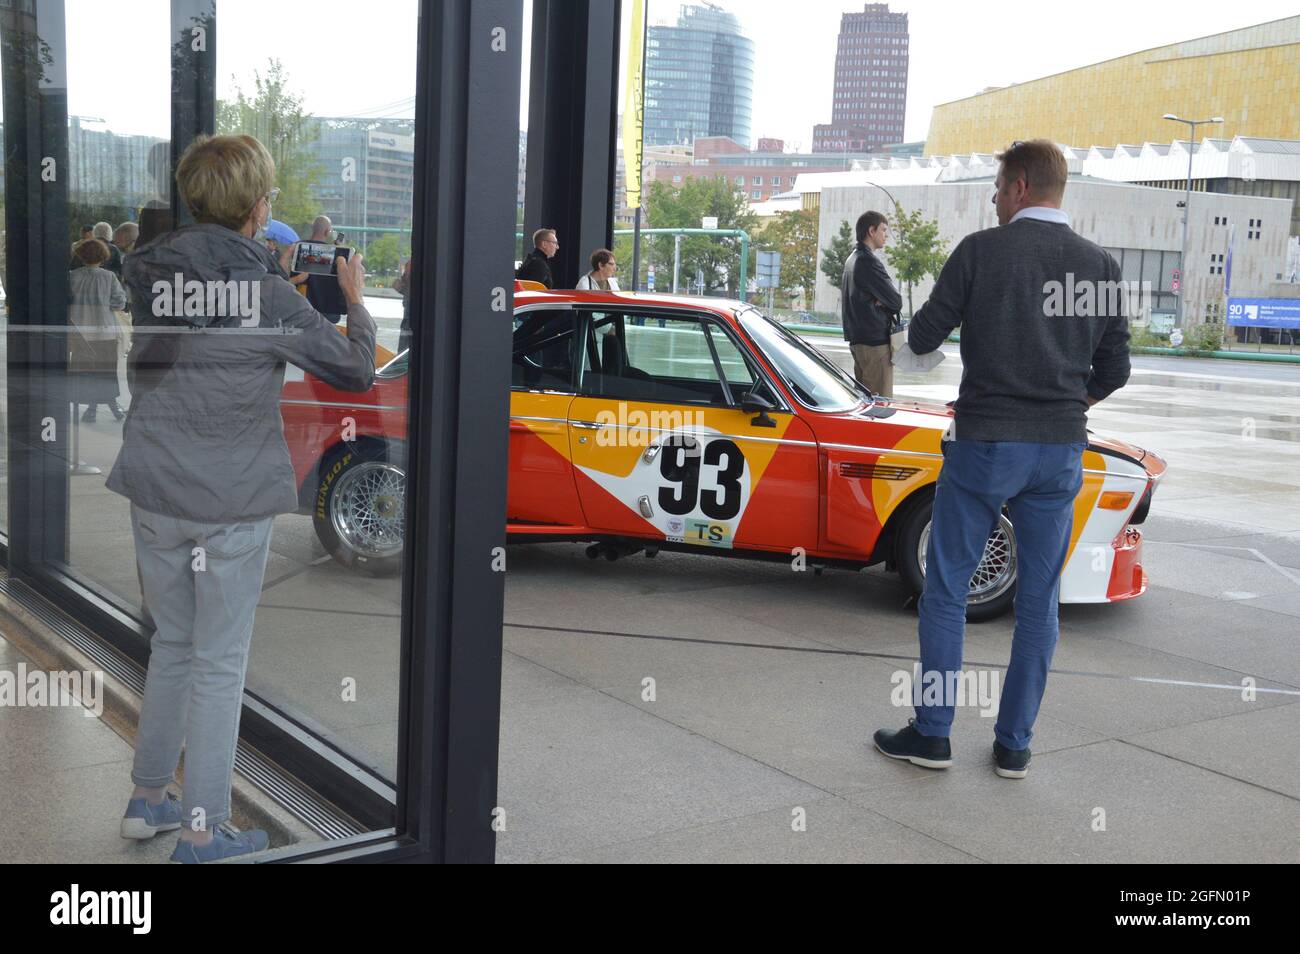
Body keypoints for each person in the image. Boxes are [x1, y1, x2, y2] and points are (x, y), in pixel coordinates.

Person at [108, 133, 376, 863]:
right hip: (227, 500)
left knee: (172, 644)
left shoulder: (153, 275)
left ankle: (150, 796)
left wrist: (264, 268)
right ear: (259, 207)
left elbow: (199, 313)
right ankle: (202, 832)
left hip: (153, 488)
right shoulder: (266, 296)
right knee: (219, 661)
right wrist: (354, 302)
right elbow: (355, 369)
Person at [872, 139, 1131, 780]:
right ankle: (1014, 745)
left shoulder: (982, 253)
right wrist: (1067, 404)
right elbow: (1115, 369)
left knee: (947, 589)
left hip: (984, 444)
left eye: (996, 187)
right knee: (1039, 600)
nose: (992, 199)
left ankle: (933, 735)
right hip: (1059, 451)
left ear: (1018, 186)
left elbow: (924, 340)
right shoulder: (1096, 266)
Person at [841, 210, 902, 396]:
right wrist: (883, 301)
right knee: (880, 405)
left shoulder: (852, 259)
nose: (886, 236)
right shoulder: (868, 262)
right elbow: (895, 301)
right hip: (875, 344)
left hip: (858, 340)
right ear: (871, 231)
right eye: (883, 230)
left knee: (864, 401)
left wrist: (879, 301)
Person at [68, 238, 127, 422]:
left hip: (79, 333)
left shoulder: (72, 276)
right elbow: (120, 302)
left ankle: (87, 409)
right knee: (106, 373)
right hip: (104, 332)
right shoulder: (109, 277)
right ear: (103, 256)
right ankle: (109, 407)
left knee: (82, 372)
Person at [291, 214, 349, 321]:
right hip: (328, 312)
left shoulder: (297, 248)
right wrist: (339, 249)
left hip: (301, 310)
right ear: (327, 232)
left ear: (313, 229)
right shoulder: (334, 253)